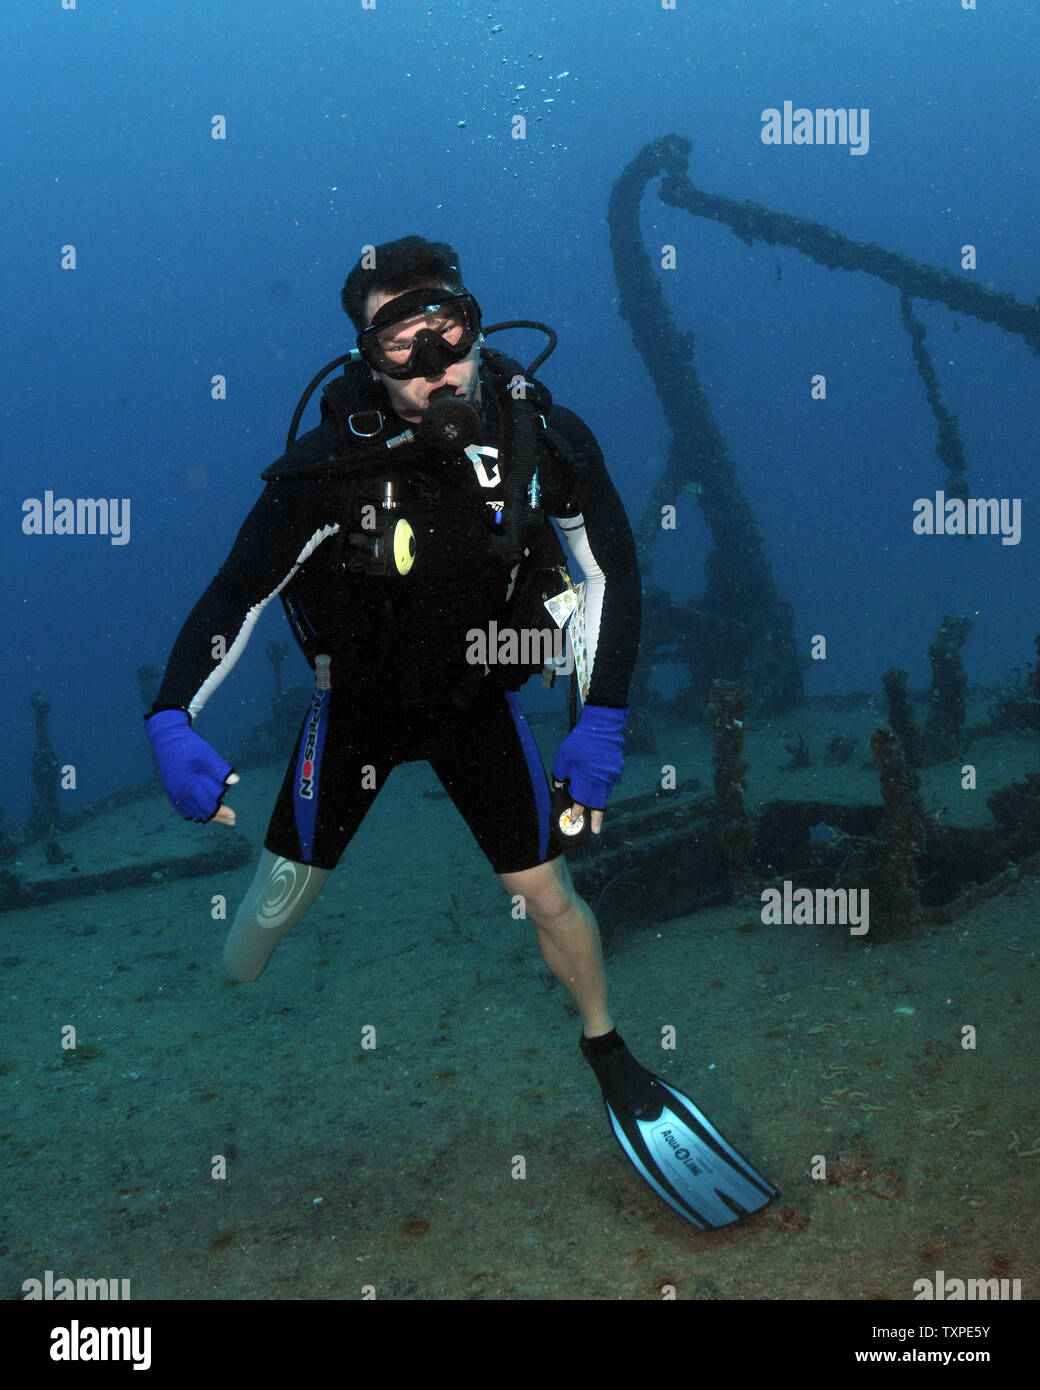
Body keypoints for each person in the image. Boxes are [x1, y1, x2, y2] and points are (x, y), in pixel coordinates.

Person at [144, 237, 777, 1230]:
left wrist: (599, 712)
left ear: (477, 323)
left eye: (447, 323)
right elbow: (239, 591)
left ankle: (608, 1047)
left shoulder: (547, 443)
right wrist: (171, 714)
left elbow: (609, 572)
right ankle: (227, 969)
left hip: (475, 701)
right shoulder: (325, 475)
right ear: (366, 359)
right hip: (354, 707)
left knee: (543, 888)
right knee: (263, 930)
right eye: (401, 340)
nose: (432, 355)